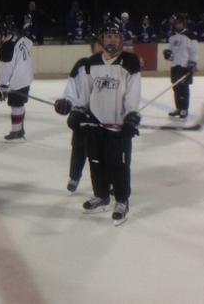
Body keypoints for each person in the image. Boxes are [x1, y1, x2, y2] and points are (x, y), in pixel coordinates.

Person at [54, 24, 141, 226]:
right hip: (95, 125)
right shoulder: (91, 63)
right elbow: (84, 94)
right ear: (102, 40)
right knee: (96, 163)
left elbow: (133, 92)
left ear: (121, 39)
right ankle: (101, 196)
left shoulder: (130, 62)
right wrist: (74, 109)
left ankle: (121, 200)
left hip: (118, 127)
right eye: (108, 36)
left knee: (118, 165)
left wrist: (131, 116)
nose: (112, 40)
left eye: (115, 36)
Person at [64, 38, 103, 193]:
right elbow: (71, 88)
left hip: (103, 116)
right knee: (79, 147)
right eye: (97, 44)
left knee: (104, 152)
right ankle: (74, 176)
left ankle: (109, 182)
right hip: (83, 114)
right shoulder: (82, 65)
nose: (101, 47)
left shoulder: (114, 67)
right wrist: (68, 102)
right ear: (92, 47)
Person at [0, 20, 34, 140]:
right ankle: (20, 128)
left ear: (4, 34)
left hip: (18, 80)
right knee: (20, 103)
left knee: (15, 105)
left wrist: (2, 85)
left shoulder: (6, 47)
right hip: (27, 77)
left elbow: (6, 69)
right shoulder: (21, 39)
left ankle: (16, 131)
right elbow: (30, 43)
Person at [163, 15, 199, 118]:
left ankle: (184, 109)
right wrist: (168, 55)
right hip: (175, 66)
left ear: (183, 24)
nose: (178, 25)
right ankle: (178, 108)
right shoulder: (172, 37)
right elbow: (171, 54)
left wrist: (192, 63)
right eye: (176, 23)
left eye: (180, 23)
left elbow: (194, 52)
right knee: (176, 88)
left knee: (184, 88)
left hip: (185, 66)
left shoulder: (190, 36)